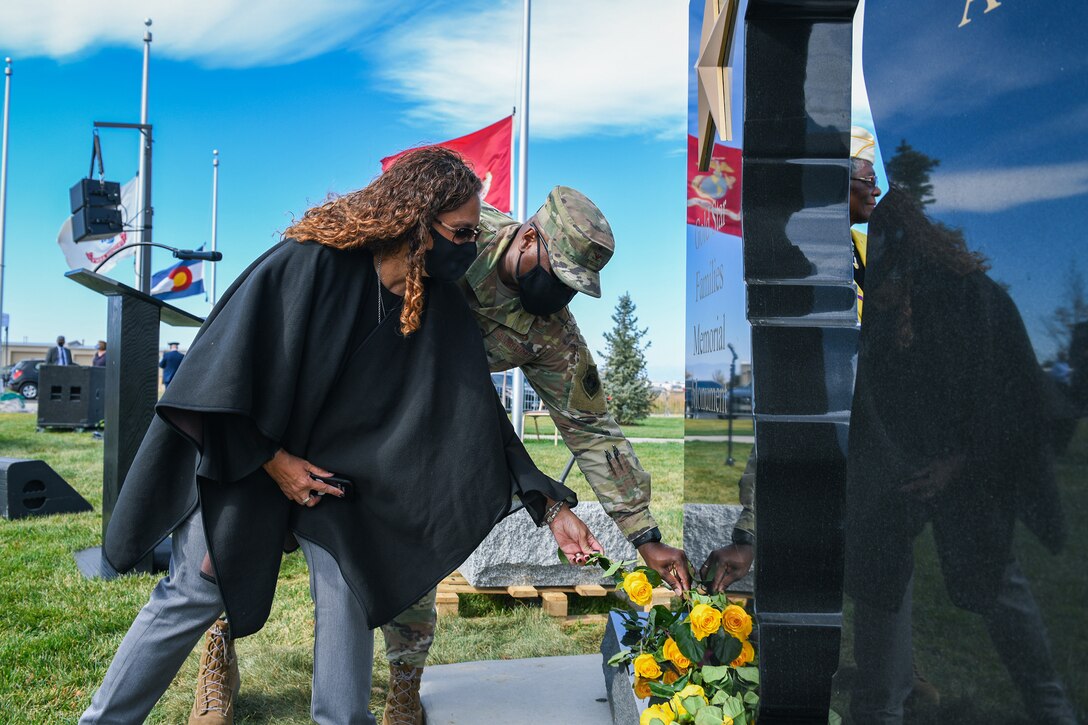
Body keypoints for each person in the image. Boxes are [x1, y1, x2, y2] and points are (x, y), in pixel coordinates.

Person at [79, 147, 602, 725]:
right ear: (414, 221)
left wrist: (551, 505)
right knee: (195, 591)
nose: (471, 246)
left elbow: (477, 413)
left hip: (336, 480)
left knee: (348, 592)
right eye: (461, 232)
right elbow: (218, 377)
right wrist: (274, 460)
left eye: (474, 232)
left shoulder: (439, 304)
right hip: (249, 455)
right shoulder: (309, 264)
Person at [189, 186, 694, 725]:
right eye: (558, 275)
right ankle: (218, 653)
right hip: (324, 404)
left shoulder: (551, 333)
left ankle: (405, 682)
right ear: (528, 238)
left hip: (415, 435)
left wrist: (644, 536)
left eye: (575, 286)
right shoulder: (453, 231)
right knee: (238, 533)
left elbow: (592, 428)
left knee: (417, 544)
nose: (561, 294)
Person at [845, 188, 1075, 724]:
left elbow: (1012, 398)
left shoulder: (967, 296)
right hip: (903, 474)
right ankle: (881, 708)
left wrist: (957, 463)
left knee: (997, 581)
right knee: (882, 587)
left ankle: (1053, 710)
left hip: (973, 469)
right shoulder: (886, 304)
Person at [698, 126, 881, 594]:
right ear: (836, 181)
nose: (877, 189)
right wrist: (750, 537)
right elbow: (784, 410)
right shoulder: (797, 255)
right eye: (868, 178)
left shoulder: (869, 252)